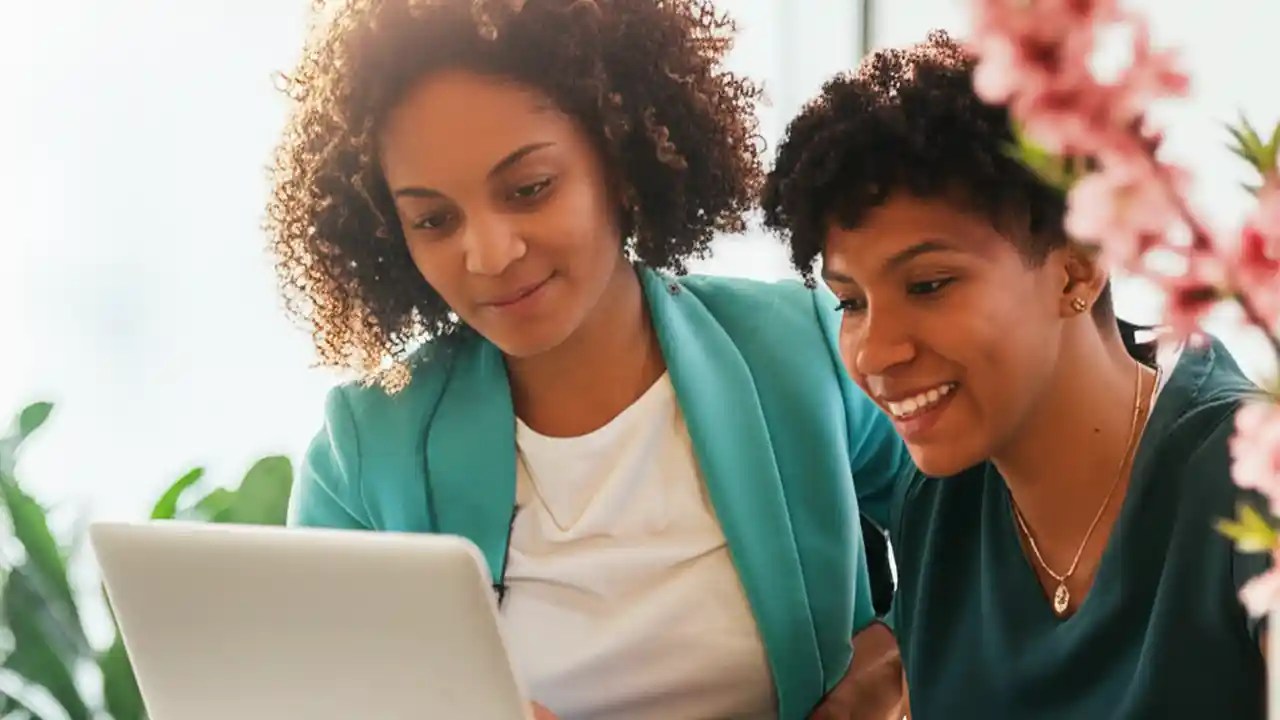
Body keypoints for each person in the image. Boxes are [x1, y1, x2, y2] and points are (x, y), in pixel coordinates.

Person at [266, 1, 909, 717]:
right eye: (434, 219)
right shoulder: (364, 451)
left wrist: (892, 659)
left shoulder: (802, 350)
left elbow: (996, 522)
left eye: (529, 189)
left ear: (619, 156)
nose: (489, 255)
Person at [761, 31, 1269, 719]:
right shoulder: (939, 507)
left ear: (1078, 269)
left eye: (931, 284)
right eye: (851, 302)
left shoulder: (1247, 477)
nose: (875, 353)